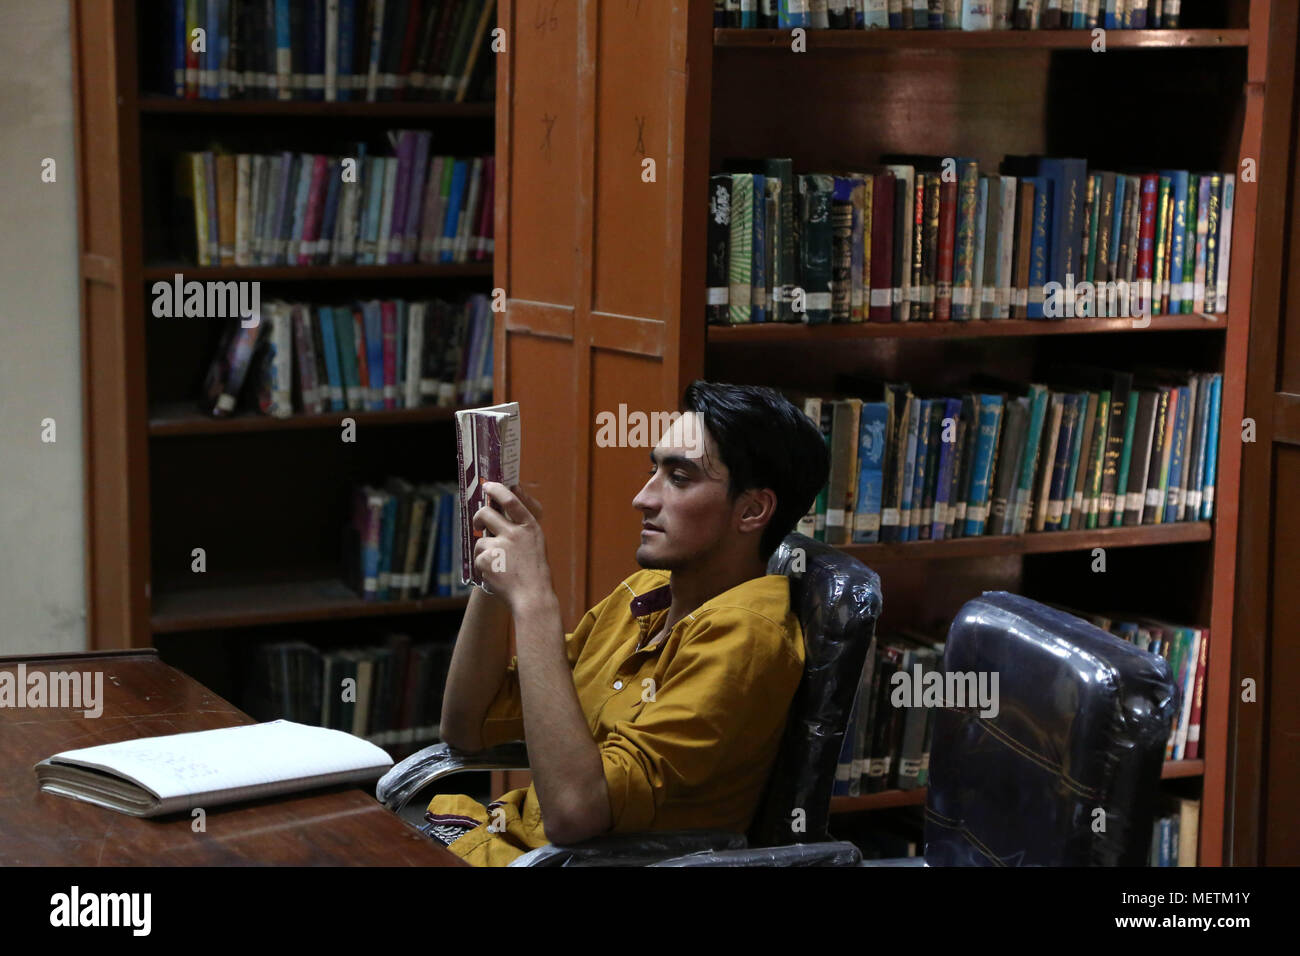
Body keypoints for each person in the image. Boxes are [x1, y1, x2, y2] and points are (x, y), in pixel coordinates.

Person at [422, 380, 830, 865]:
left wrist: (533, 601)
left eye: (679, 478)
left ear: (753, 510)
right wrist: (495, 572)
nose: (643, 497)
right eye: (653, 470)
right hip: (492, 843)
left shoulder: (746, 639)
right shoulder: (647, 594)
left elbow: (574, 814)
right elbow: (466, 726)